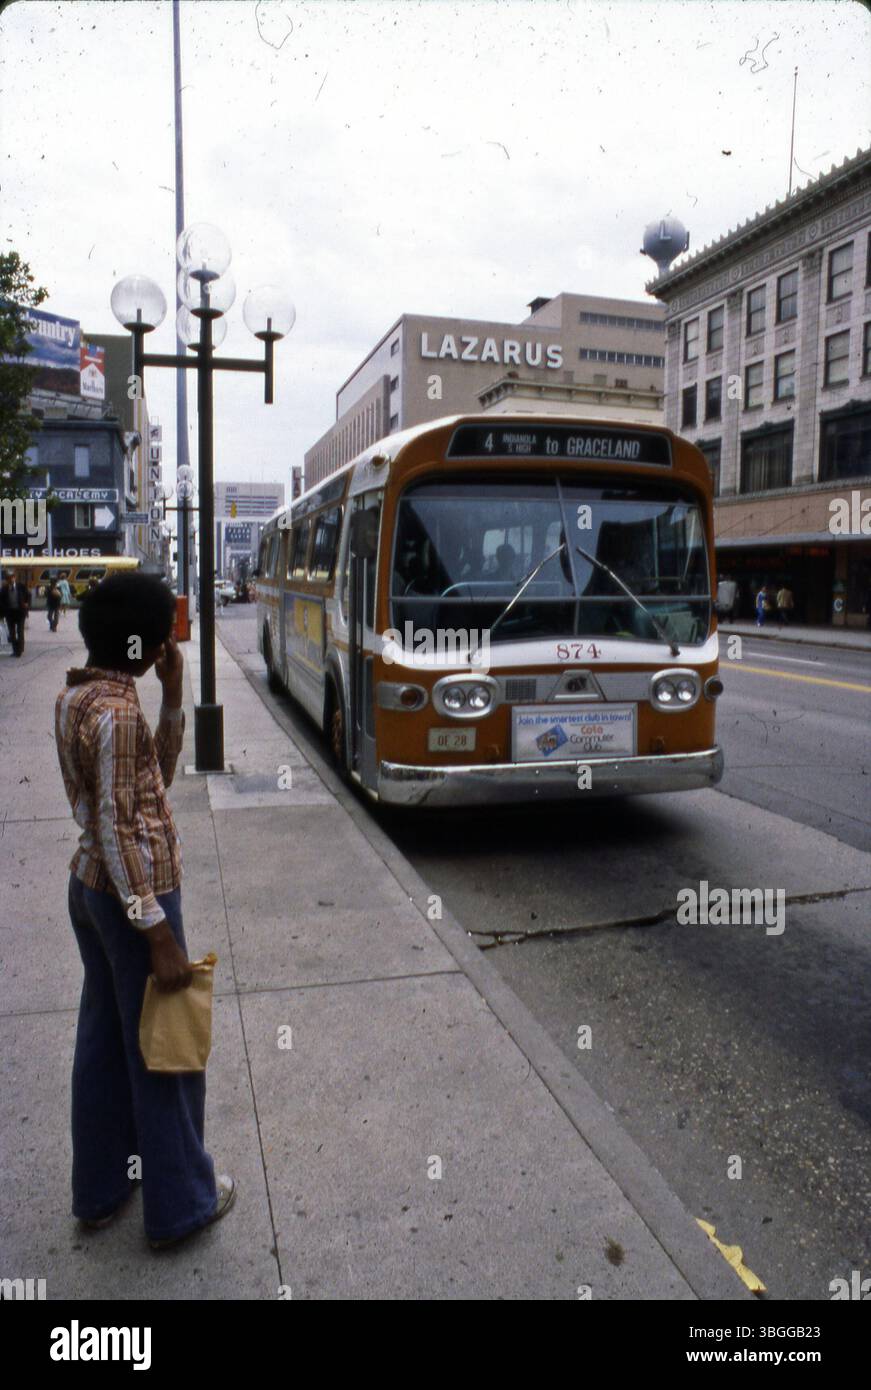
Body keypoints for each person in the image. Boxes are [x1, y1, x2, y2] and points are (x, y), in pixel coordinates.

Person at [54, 572, 235, 1249]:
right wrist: (155, 927)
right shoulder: (116, 712)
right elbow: (115, 826)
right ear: (143, 642)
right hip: (134, 896)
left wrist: (173, 693)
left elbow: (151, 773)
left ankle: (102, 1189)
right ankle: (182, 1204)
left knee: (104, 1042)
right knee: (167, 1053)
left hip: (90, 890)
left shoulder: (79, 695)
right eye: (163, 632)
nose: (169, 640)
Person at [0, 570, 30, 656]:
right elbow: (1, 601)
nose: (11, 579)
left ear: (15, 578)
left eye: (12, 577)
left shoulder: (20, 586)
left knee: (20, 631)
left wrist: (27, 604)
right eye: (9, 578)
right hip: (10, 613)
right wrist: (2, 613)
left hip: (20, 612)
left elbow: (28, 595)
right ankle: (15, 650)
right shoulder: (4, 589)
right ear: (7, 580)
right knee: (12, 633)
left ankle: (19, 650)